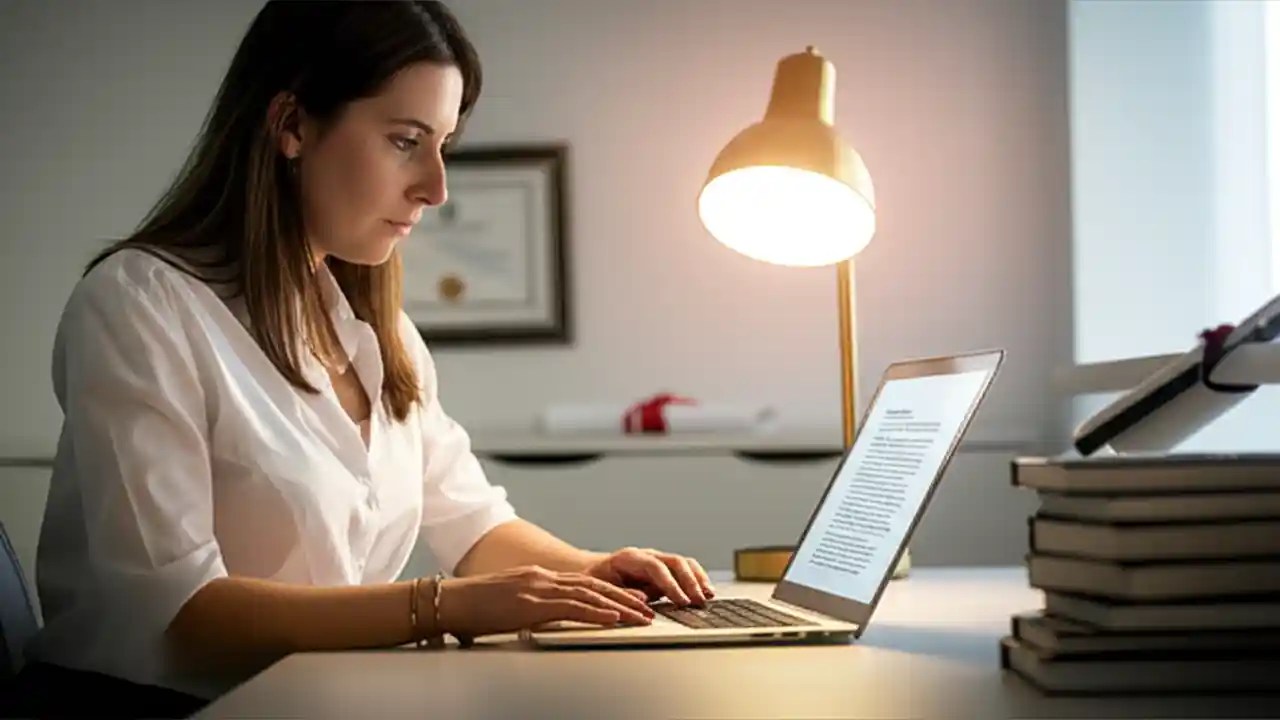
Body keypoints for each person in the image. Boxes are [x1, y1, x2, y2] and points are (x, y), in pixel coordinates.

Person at [3, 2, 714, 717]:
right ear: (290, 127)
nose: (436, 187)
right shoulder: (138, 304)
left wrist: (594, 571)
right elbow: (182, 617)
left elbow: (472, 524)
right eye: (406, 141)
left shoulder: (383, 334)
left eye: (442, 144)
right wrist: (439, 608)